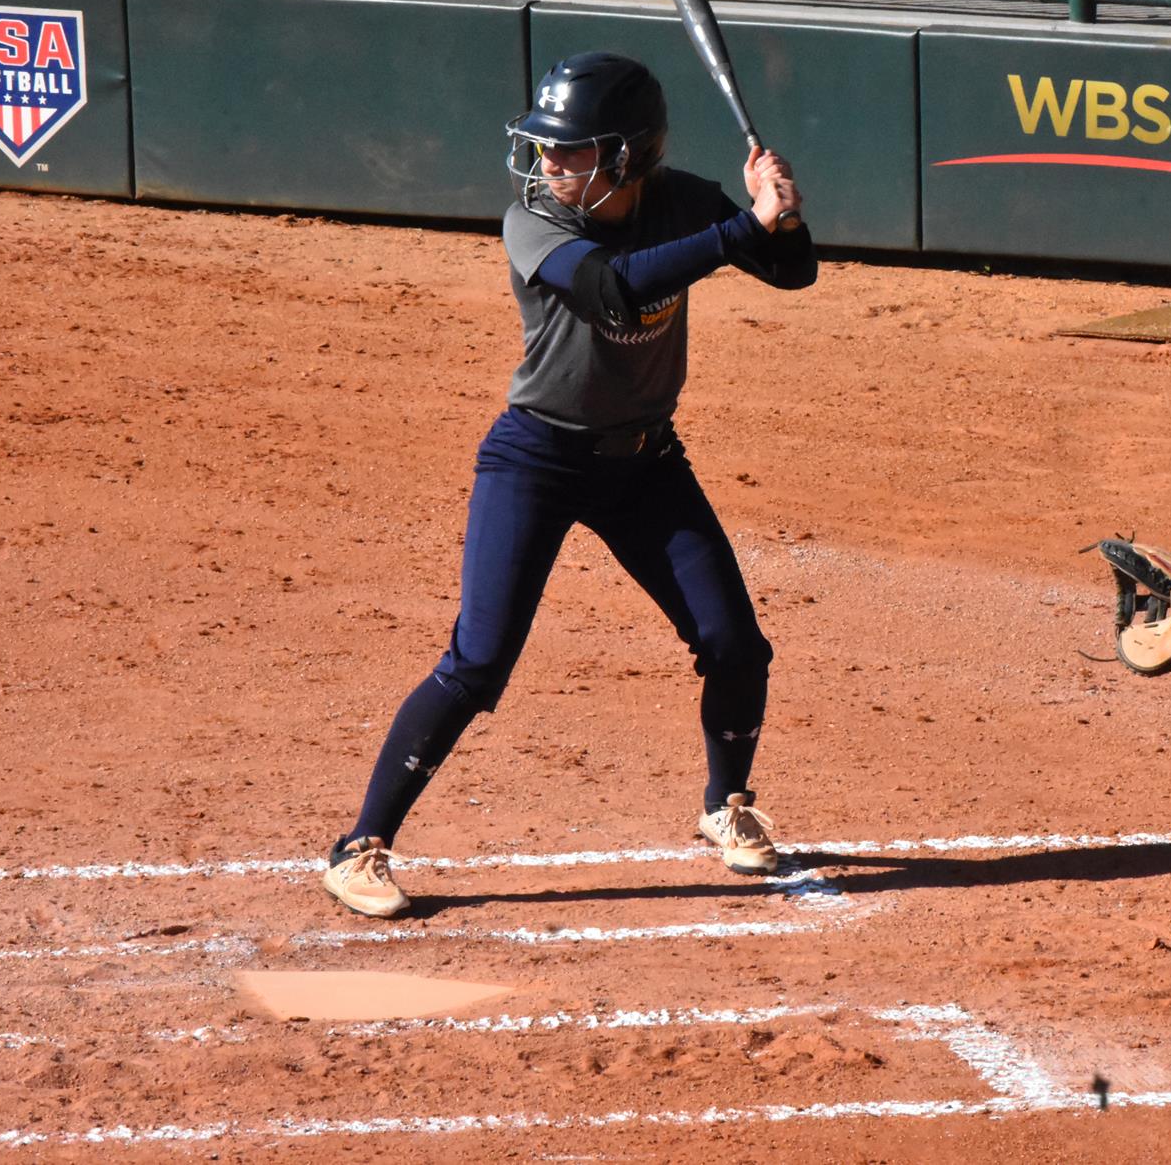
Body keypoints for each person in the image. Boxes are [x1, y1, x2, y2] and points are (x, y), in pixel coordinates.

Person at [320, 51, 816, 918]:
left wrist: (782, 216)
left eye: (571, 149)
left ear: (627, 155)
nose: (549, 164)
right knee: (478, 663)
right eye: (545, 147)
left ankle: (724, 804)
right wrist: (743, 228)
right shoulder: (532, 222)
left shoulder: (682, 200)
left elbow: (793, 272)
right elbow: (615, 293)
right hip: (536, 459)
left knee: (736, 644)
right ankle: (359, 845)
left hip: (645, 464)